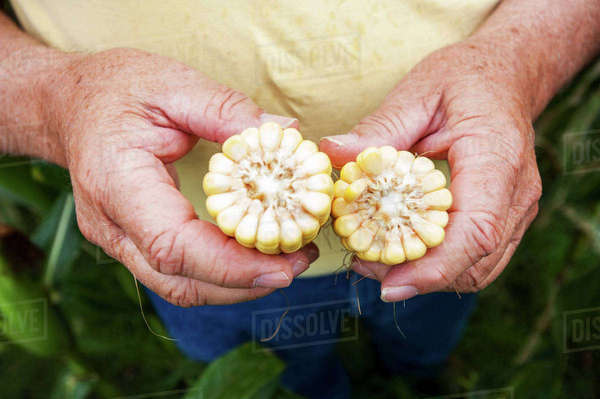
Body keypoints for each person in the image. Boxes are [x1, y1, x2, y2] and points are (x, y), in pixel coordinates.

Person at [1, 0, 598, 397]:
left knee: (424, 328)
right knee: (285, 370)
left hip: (454, 208)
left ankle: (414, 374)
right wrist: (58, 101)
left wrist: (516, 61)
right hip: (197, 242)